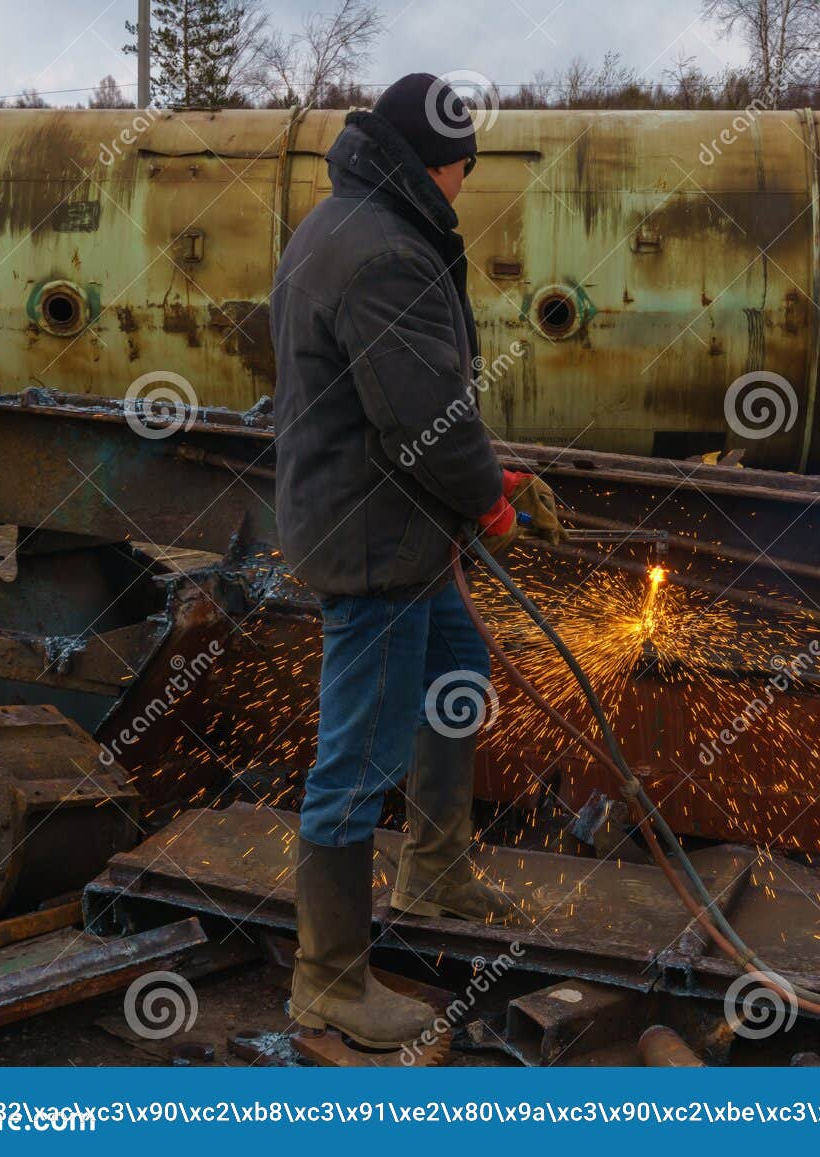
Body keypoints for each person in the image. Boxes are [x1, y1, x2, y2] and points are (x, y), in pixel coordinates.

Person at [270, 72, 562, 1049]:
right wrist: (489, 501)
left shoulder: (338, 223)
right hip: (377, 540)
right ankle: (328, 980)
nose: (461, 192)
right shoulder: (388, 254)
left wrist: (496, 478)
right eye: (462, 175)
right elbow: (424, 423)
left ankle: (433, 865)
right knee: (352, 759)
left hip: (382, 522)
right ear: (441, 165)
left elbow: (407, 397)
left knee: (458, 669)